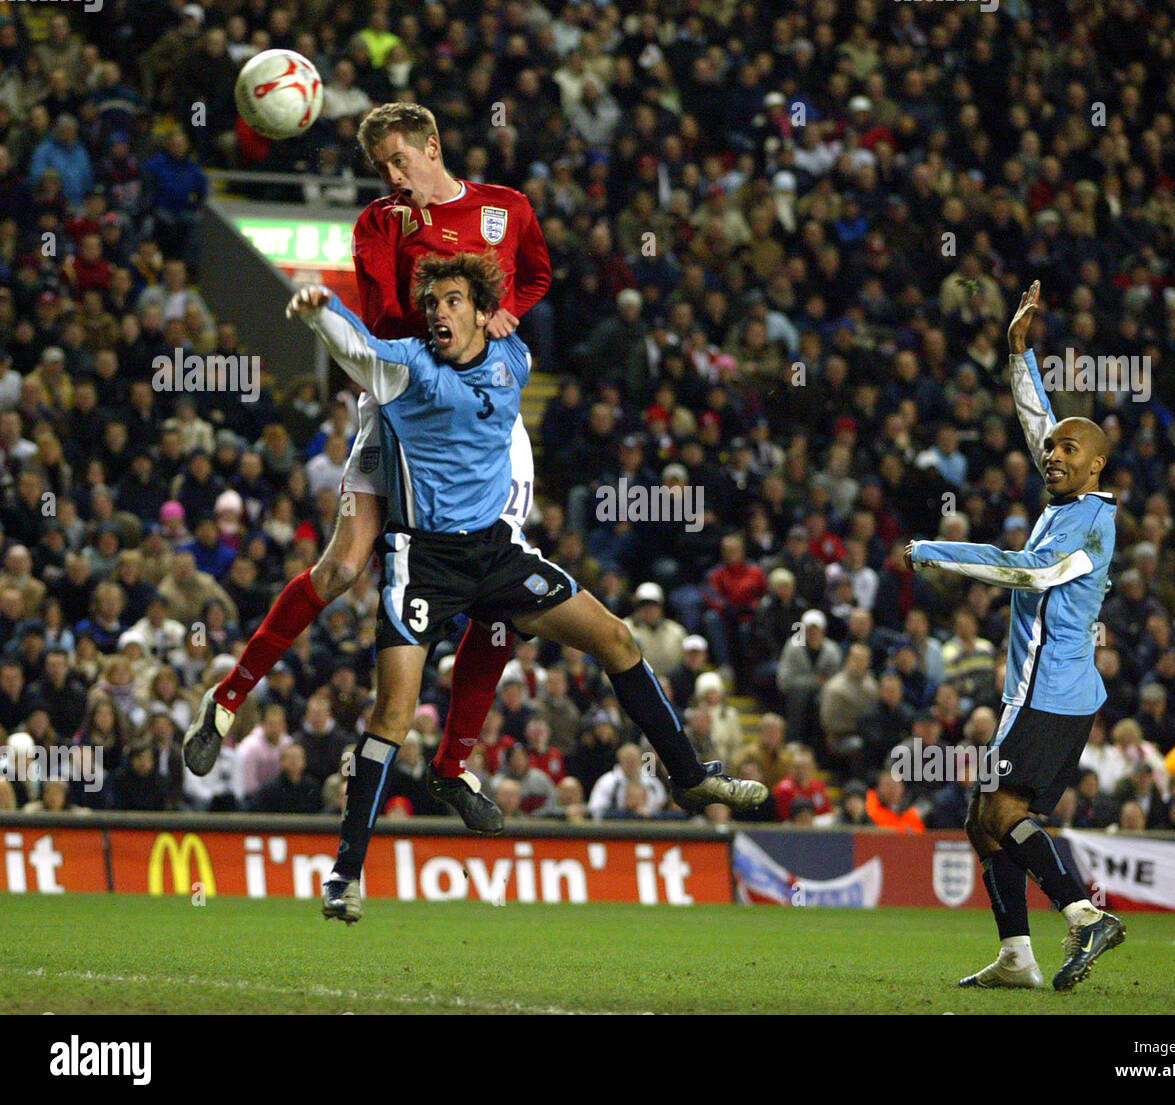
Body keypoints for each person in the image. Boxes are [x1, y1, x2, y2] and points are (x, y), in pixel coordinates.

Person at [282, 253, 766, 922]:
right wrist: (321, 310)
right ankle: (344, 873)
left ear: (484, 312)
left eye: (452, 301)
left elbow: (519, 291)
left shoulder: (517, 360)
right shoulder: (406, 370)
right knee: (393, 715)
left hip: (497, 554)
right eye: (432, 305)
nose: (438, 314)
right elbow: (356, 345)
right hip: (424, 560)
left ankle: (687, 777)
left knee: (617, 638)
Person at [183, 103, 551, 836]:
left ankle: (452, 763)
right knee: (342, 568)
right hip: (404, 405)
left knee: (505, 601)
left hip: (483, 423)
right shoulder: (381, 224)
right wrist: (445, 316)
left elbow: (537, 276)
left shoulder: (506, 209)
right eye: (380, 167)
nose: (391, 176)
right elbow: (381, 321)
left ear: (433, 145)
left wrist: (503, 310)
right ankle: (227, 696)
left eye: (398, 160)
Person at [906, 282, 1124, 992]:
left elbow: (1034, 576)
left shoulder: (1089, 522)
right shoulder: (1067, 496)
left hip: (1052, 693)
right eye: (1053, 445)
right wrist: (1019, 354)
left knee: (1000, 810)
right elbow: (1041, 429)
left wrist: (939, 550)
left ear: (1097, 466)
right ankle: (1016, 954)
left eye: (1069, 449)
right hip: (1033, 692)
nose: (1053, 453)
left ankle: (1083, 912)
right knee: (982, 817)